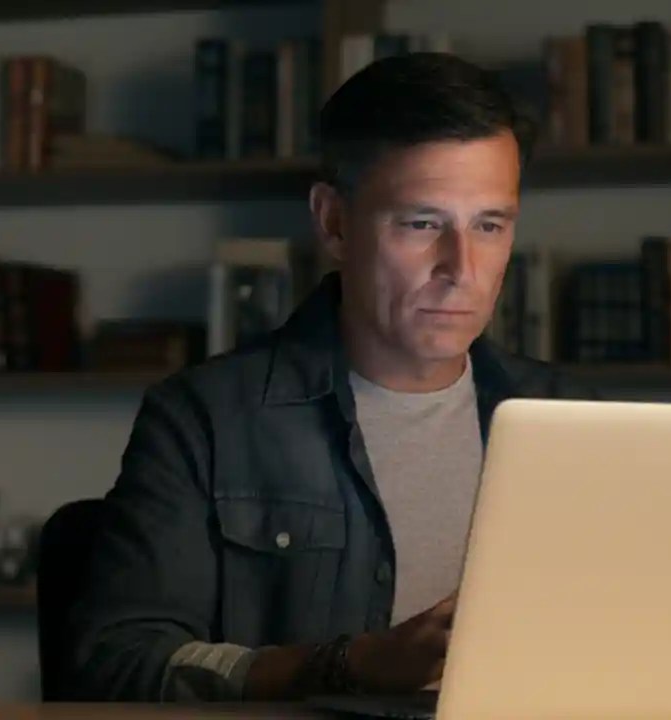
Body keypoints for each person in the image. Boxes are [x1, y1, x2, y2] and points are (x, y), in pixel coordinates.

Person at [68, 52, 595, 702]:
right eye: (422, 223)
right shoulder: (204, 418)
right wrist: (349, 665)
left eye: (489, 225)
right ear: (334, 223)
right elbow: (116, 666)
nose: (462, 266)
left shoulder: (571, 421)